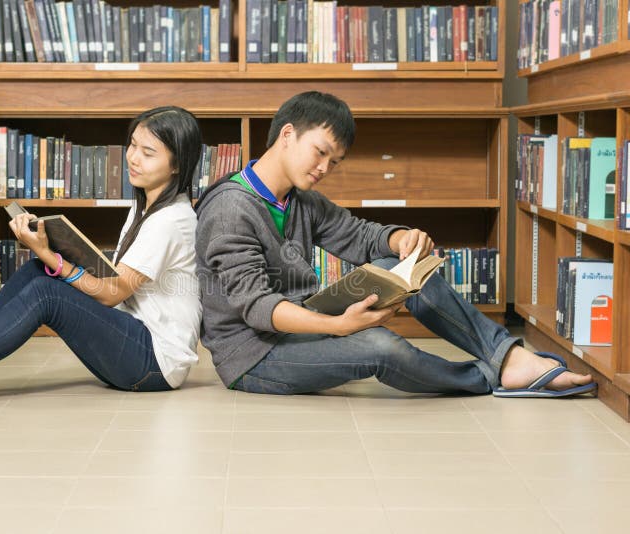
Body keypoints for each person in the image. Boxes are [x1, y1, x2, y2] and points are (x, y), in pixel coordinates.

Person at [194, 91, 596, 398]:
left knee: (400, 265)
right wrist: (338, 326)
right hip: (253, 354)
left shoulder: (299, 200)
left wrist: (400, 238)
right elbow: (257, 306)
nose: (324, 169)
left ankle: (507, 355)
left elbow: (358, 235)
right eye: (320, 153)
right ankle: (490, 377)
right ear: (287, 135)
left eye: (334, 162)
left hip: (301, 320)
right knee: (381, 347)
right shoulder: (231, 209)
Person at [0, 106, 203, 405]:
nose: (133, 158)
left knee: (47, 290)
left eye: (148, 153)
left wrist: (52, 255)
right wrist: (51, 255)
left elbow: (112, 292)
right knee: (37, 271)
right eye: (132, 145)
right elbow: (113, 284)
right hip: (135, 339)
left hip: (154, 362)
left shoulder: (170, 220)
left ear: (177, 165)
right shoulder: (146, 206)